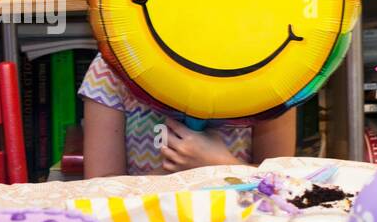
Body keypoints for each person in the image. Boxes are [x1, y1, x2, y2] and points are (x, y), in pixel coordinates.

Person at [79, 53, 296, 177]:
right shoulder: (110, 68)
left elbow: (281, 183)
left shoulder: (271, 74)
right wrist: (171, 180)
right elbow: (100, 189)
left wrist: (219, 165)